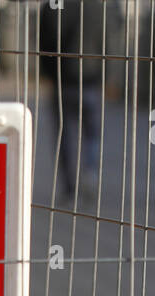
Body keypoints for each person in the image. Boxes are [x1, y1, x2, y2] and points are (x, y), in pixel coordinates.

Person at [39, 0, 105, 199]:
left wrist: (51, 75)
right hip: (91, 79)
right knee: (92, 134)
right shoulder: (96, 6)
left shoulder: (52, 6)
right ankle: (90, 173)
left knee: (64, 134)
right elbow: (107, 40)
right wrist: (104, 74)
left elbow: (44, 45)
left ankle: (69, 186)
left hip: (63, 80)